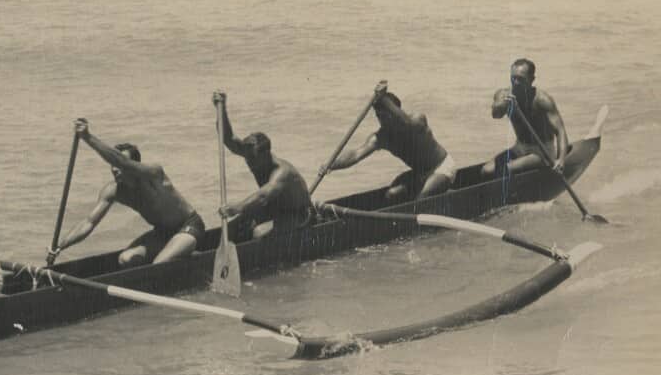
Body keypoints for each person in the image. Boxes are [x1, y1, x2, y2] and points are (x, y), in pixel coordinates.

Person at [50, 118, 204, 267]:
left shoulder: (153, 174)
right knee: (125, 259)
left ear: (134, 166)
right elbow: (88, 223)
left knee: (158, 265)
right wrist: (60, 246)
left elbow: (120, 161)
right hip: (162, 233)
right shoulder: (113, 191)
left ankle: (190, 255)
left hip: (188, 225)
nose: (114, 168)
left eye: (117, 164)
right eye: (112, 165)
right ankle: (178, 254)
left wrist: (87, 137)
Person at [321, 82, 457, 201]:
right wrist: (331, 165)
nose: (382, 121)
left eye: (385, 116)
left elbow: (406, 122)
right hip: (419, 173)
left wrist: (383, 98)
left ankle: (438, 194)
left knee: (422, 199)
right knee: (391, 195)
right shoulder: (382, 137)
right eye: (378, 116)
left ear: (396, 111)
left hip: (442, 167)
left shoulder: (417, 120)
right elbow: (356, 155)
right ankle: (437, 194)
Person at [214, 93, 312, 238]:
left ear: (266, 154)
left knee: (259, 233)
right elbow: (227, 138)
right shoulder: (252, 154)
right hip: (273, 209)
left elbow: (263, 196)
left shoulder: (282, 172)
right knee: (230, 229)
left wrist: (239, 207)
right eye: (247, 158)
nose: (249, 162)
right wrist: (221, 109)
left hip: (298, 215)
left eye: (252, 159)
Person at [480, 58, 570, 179]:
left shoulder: (542, 100)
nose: (516, 82)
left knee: (502, 171)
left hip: (542, 152)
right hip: (520, 147)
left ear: (531, 80)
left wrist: (561, 160)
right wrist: (502, 105)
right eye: (513, 78)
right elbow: (496, 115)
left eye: (521, 79)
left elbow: (560, 131)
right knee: (486, 170)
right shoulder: (504, 95)